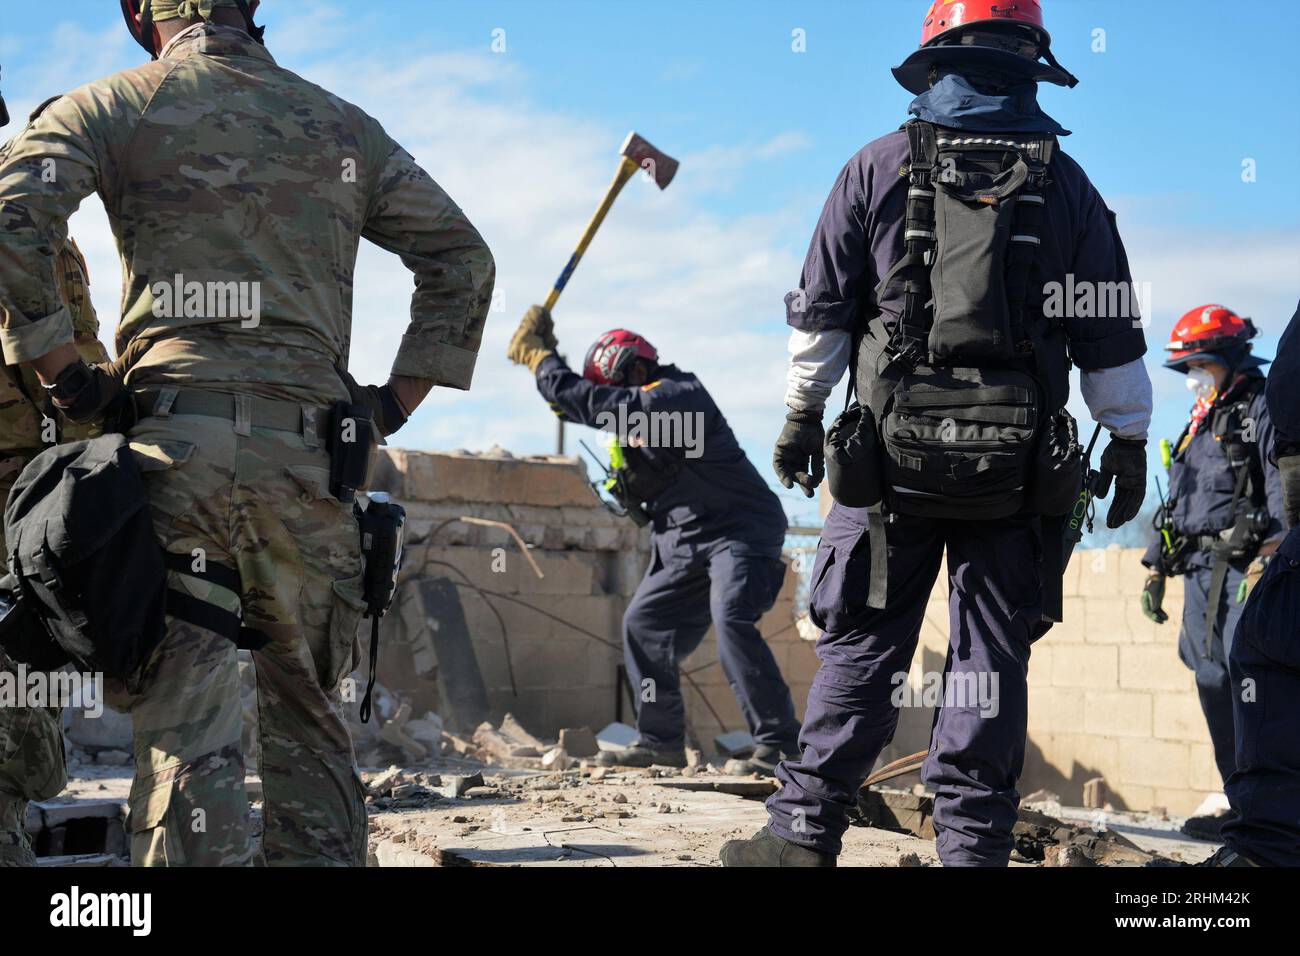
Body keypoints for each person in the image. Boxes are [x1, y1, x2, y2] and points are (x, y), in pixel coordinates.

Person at [0, 0, 494, 865]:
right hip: (313, 463)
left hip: (173, 458)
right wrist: (388, 407)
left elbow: (13, 215)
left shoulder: (113, 104)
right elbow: (462, 259)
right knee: (308, 723)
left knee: (190, 735)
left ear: (144, 15)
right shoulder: (343, 125)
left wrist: (65, 375)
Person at [723, 0, 1152, 867]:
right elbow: (1108, 327)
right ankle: (972, 850)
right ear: (1033, 61)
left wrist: (804, 416)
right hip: (1019, 476)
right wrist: (1130, 437)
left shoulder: (874, 168)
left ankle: (803, 836)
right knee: (988, 658)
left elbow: (822, 316)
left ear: (934, 59)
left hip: (885, 468)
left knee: (864, 642)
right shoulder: (1069, 185)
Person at [506, 308, 801, 774]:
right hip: (682, 541)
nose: (618, 395)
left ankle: (780, 743)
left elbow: (593, 403)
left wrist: (541, 360)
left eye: (622, 385)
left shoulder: (678, 398)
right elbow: (573, 402)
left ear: (639, 369)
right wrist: (549, 356)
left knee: (732, 620)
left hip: (739, 530)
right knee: (643, 625)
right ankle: (659, 740)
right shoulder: (634, 415)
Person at [0, 72, 112, 867]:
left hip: (26, 490)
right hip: (17, 496)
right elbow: (68, 372)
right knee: (22, 740)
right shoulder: (30, 229)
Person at [1139, 305, 1285, 840]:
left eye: (1200, 364)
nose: (1193, 377)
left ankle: (1268, 811)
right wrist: (1155, 566)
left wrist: (1275, 553)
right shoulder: (1201, 420)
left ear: (1227, 358)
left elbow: (1282, 483)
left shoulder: (1260, 407)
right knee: (1211, 677)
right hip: (1198, 572)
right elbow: (1180, 496)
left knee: (1249, 681)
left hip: (1246, 568)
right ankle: (1242, 802)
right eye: (1188, 368)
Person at [1209, 301, 1300, 867]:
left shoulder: (1254, 407)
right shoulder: (1211, 415)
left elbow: (1275, 462)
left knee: (1262, 651)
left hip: (1256, 555)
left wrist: (1276, 540)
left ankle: (1266, 847)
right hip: (1212, 558)